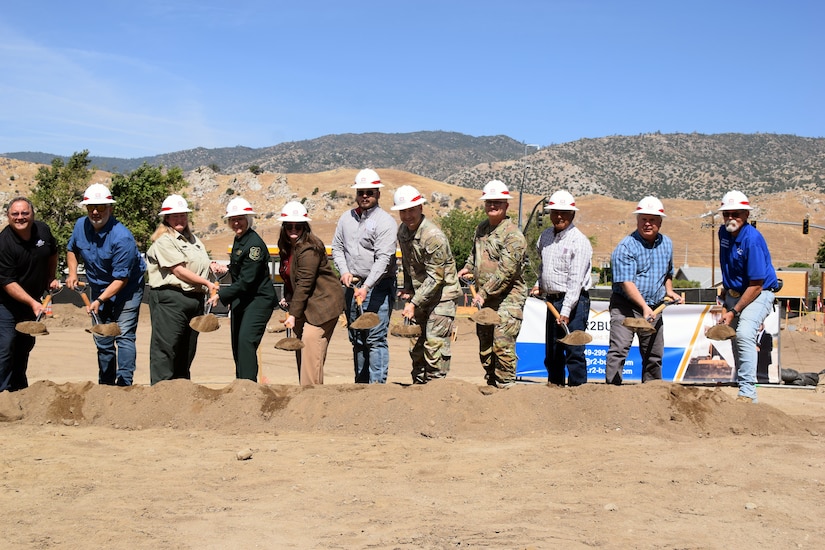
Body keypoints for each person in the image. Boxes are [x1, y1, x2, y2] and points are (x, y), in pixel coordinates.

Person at [66, 183, 146, 386]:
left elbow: (121, 279)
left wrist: (99, 300)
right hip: (99, 286)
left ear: (110, 208)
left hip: (127, 289)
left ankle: (124, 383)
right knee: (102, 336)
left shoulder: (122, 238)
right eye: (91, 207)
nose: (95, 211)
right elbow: (71, 250)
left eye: (101, 207)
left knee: (124, 334)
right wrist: (73, 273)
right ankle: (105, 383)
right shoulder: (80, 226)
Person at [457, 180, 528, 388]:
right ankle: (491, 385)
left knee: (502, 344)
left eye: (497, 202)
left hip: (508, 298)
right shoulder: (481, 229)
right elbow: (475, 255)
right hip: (485, 299)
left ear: (506, 205)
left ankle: (505, 388)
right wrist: (468, 268)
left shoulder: (514, 236)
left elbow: (506, 272)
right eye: (489, 202)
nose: (492, 206)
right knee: (485, 346)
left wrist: (483, 293)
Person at [605, 196, 682, 385]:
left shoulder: (667, 244)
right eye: (643, 219)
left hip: (655, 306)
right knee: (619, 350)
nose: (647, 224)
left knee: (654, 355)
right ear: (637, 220)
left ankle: (653, 394)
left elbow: (668, 272)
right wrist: (644, 307)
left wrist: (669, 290)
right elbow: (626, 283)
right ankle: (611, 396)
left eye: (652, 220)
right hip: (626, 306)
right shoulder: (625, 247)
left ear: (660, 222)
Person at [331, 169, 397, 384]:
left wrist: (367, 286)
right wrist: (344, 271)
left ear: (378, 193)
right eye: (361, 192)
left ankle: (376, 388)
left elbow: (384, 259)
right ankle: (361, 386)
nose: (365, 196)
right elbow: (338, 248)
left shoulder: (385, 222)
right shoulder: (346, 219)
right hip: (352, 287)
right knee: (357, 338)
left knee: (375, 338)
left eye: (369, 192)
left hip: (378, 288)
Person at [145, 195, 220, 385]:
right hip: (171, 299)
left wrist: (211, 267)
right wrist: (207, 283)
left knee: (187, 349)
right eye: (175, 216)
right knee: (166, 348)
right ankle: (162, 391)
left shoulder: (194, 240)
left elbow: (197, 264)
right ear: (167, 219)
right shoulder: (165, 241)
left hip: (194, 299)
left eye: (182, 215)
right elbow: (178, 271)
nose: (179, 219)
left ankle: (181, 391)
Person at [393, 185, 462, 384]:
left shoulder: (433, 237)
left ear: (421, 208)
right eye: (403, 211)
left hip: (442, 295)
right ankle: (419, 390)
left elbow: (436, 278)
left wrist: (413, 303)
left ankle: (436, 390)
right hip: (421, 294)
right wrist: (407, 286)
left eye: (411, 210)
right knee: (416, 344)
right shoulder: (403, 232)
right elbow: (408, 263)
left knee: (434, 344)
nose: (407, 215)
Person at [717, 190, 779, 403]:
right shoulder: (723, 233)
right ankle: (741, 385)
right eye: (727, 213)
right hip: (735, 293)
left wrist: (734, 311)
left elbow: (757, 284)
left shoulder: (752, 240)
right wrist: (726, 301)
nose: (730, 218)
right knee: (735, 339)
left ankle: (747, 392)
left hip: (758, 292)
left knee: (744, 334)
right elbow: (726, 267)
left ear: (745, 215)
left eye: (736, 213)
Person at [208, 197, 276, 382]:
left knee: (246, 340)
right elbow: (241, 269)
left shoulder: (254, 245)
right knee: (237, 343)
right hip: (242, 299)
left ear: (249, 219)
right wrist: (226, 269)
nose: (236, 223)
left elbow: (248, 280)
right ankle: (240, 383)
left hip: (258, 299)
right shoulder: (239, 239)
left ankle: (247, 387)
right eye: (233, 219)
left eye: (240, 218)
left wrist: (221, 296)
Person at [530, 190, 593, 386]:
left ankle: (578, 394)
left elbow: (575, 282)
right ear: (549, 213)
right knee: (553, 353)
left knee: (574, 352)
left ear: (572, 214)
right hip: (552, 301)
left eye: (564, 213)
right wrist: (539, 285)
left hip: (575, 303)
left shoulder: (579, 242)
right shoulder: (545, 237)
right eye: (555, 212)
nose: (559, 216)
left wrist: (565, 311)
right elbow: (543, 267)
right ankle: (554, 392)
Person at [278, 201, 344, 385]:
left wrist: (292, 314)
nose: (293, 229)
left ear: (305, 226)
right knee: (304, 351)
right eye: (289, 225)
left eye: (298, 226)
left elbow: (305, 283)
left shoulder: (309, 248)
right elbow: (289, 277)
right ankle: (305, 393)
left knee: (309, 342)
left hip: (323, 305)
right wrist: (289, 298)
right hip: (305, 305)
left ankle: (311, 397)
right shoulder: (287, 247)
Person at [0, 197, 59, 392]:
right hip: (5, 302)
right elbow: (8, 282)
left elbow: (53, 252)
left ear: (32, 214)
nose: (20, 217)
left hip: (32, 300)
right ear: (8, 217)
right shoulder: (4, 243)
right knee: (6, 344)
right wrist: (33, 303)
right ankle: (3, 393)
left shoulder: (43, 230)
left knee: (25, 344)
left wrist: (51, 276)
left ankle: (18, 389)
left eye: (24, 213)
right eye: (15, 214)